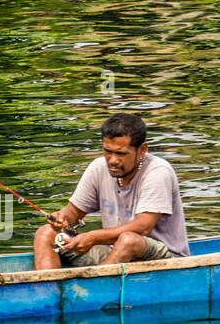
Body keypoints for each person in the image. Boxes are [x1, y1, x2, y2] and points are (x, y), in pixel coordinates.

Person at [34, 113, 189, 270]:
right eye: (108, 151)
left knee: (128, 240)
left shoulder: (157, 172)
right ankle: (47, 291)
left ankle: (98, 289)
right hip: (115, 253)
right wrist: (61, 220)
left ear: (142, 150)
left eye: (121, 154)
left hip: (165, 260)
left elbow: (143, 227)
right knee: (44, 233)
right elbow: (72, 213)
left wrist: (92, 237)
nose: (113, 160)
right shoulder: (98, 167)